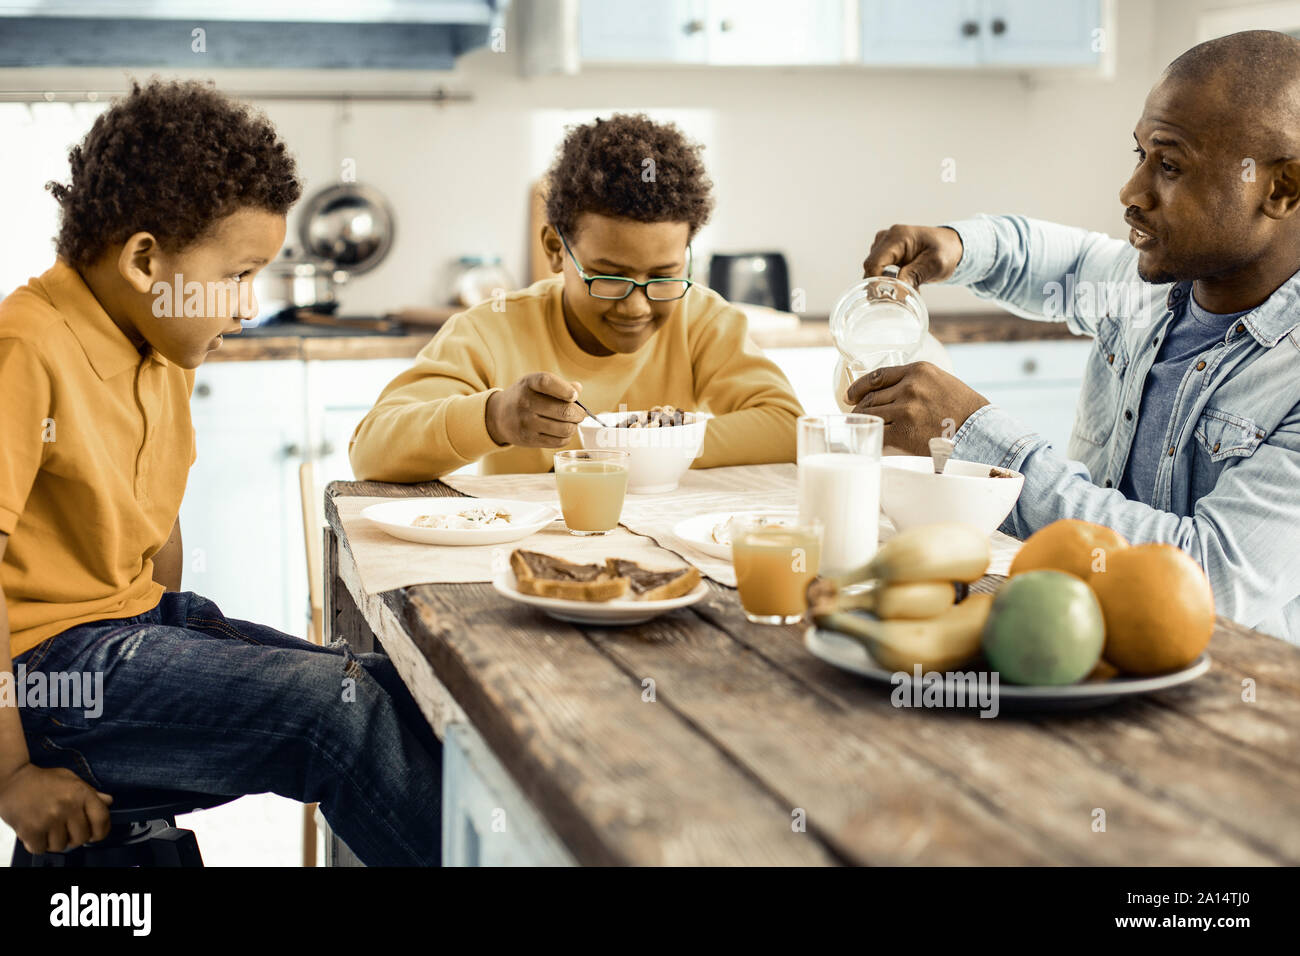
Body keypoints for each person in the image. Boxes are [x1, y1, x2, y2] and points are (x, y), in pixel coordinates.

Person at [0, 80, 442, 864]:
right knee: (331, 717)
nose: (246, 307)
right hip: (48, 678)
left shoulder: (159, 344)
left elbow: (151, 547)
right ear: (145, 260)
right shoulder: (25, 347)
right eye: (238, 275)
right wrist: (9, 776)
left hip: (131, 631)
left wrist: (197, 656)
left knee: (382, 686)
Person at [849, 30, 1300, 645]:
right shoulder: (1148, 287)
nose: (1131, 192)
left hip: (1232, 694)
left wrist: (980, 437)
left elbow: (1210, 578)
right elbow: (1061, 263)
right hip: (1072, 641)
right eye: (1138, 155)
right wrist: (958, 245)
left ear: (1281, 188)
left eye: (1169, 166)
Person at [349, 113, 804, 481]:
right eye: (610, 277)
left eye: (664, 276)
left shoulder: (702, 318)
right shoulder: (491, 330)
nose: (636, 306)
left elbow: (787, 427)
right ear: (554, 250)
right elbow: (371, 451)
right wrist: (494, 418)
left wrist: (644, 442)